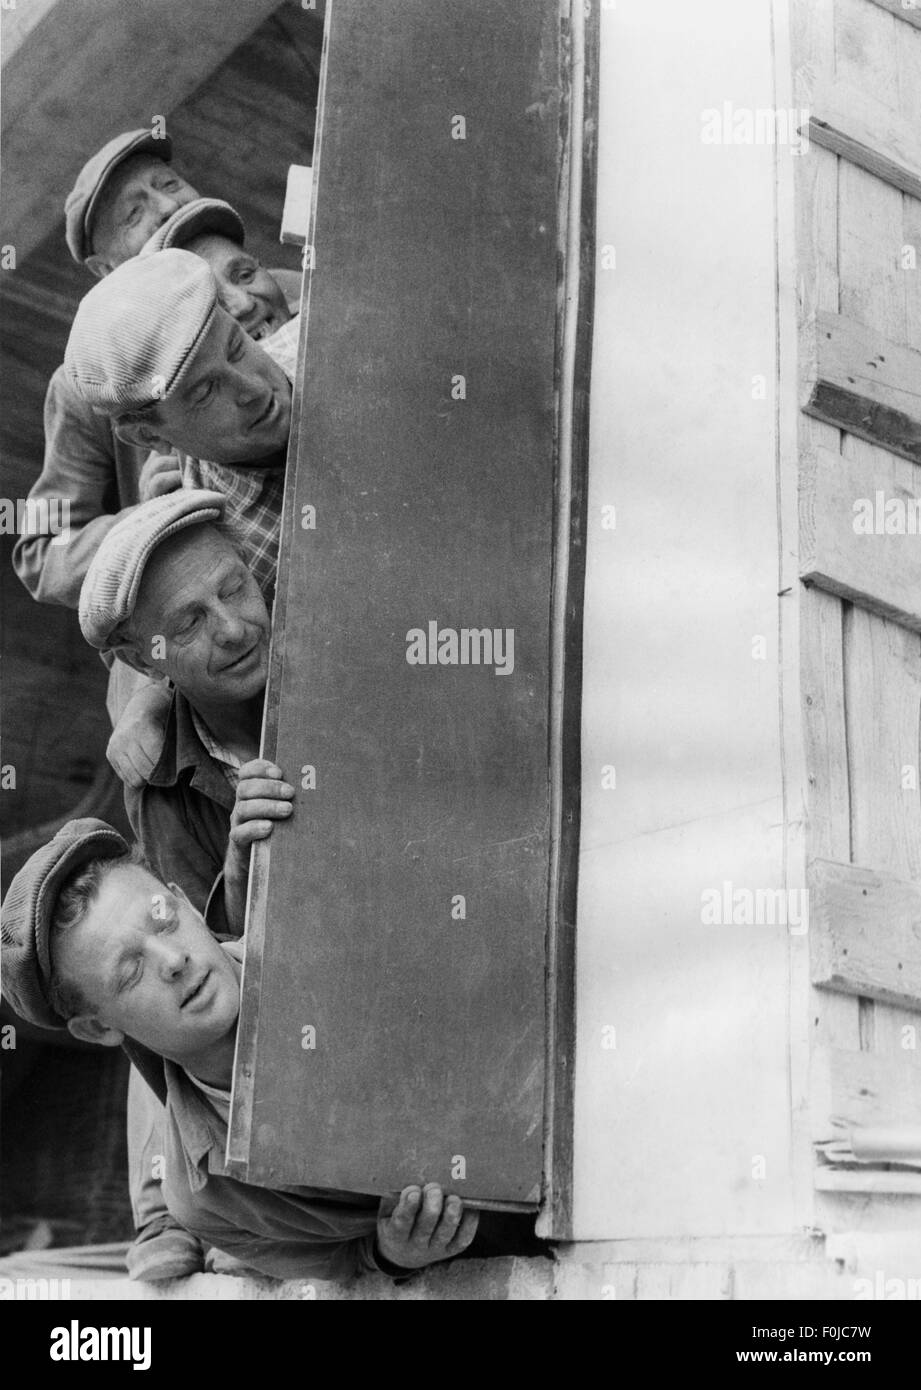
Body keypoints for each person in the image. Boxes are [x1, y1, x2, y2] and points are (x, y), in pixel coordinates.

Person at [0, 820, 480, 1281]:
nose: (174, 961)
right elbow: (347, 1262)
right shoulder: (199, 1198)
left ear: (185, 902)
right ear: (98, 1028)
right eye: (130, 972)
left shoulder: (344, 934)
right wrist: (395, 1252)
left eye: (164, 919)